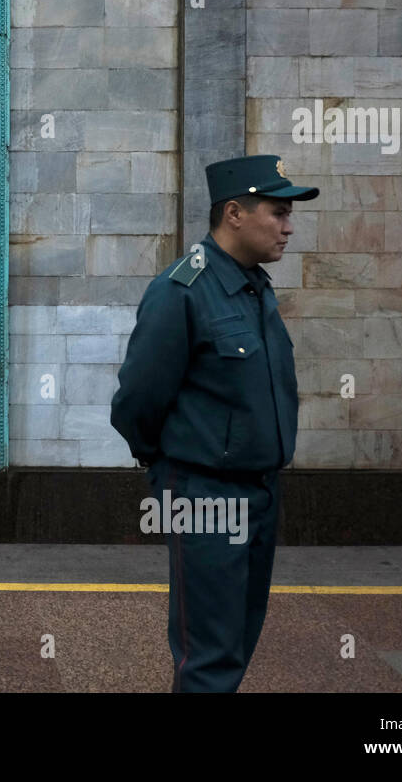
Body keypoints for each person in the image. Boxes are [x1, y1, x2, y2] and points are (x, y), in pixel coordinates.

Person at [110, 154, 319, 692]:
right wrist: (164, 466)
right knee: (209, 654)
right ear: (234, 214)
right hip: (204, 492)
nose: (289, 226)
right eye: (278, 212)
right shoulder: (182, 290)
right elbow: (138, 396)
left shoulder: (254, 288)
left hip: (261, 489)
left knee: (239, 638)